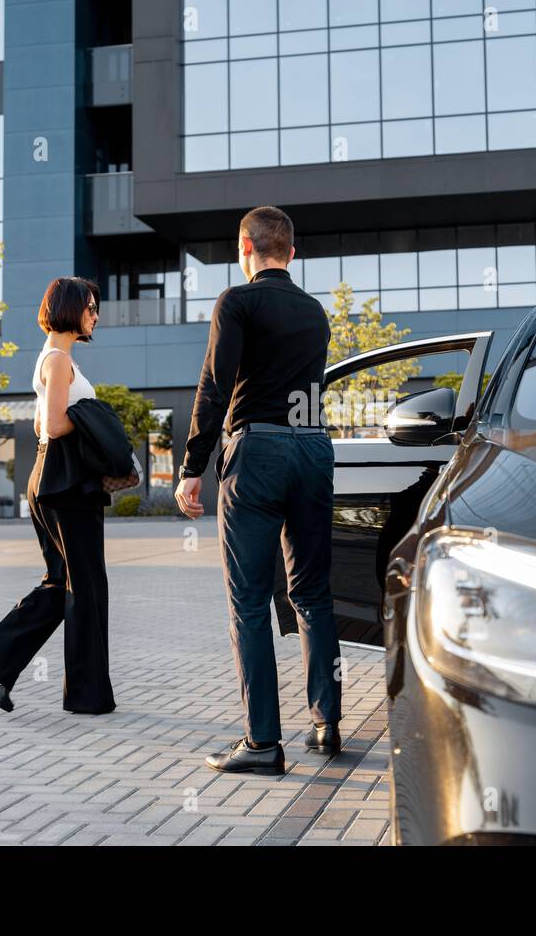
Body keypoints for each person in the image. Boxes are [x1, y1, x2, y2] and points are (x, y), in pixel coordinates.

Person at [176, 206, 342, 776]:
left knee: (248, 601)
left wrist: (192, 465)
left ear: (246, 246)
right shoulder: (315, 312)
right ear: (290, 253)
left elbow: (216, 385)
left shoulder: (237, 302)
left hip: (259, 452)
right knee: (312, 592)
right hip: (314, 449)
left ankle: (264, 743)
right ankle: (326, 723)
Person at [0, 277, 135, 714]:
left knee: (63, 583)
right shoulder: (58, 359)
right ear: (70, 308)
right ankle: (86, 696)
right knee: (86, 589)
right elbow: (57, 424)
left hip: (52, 480)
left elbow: (43, 425)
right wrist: (96, 415)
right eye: (91, 307)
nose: (95, 315)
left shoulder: (54, 357)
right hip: (64, 486)